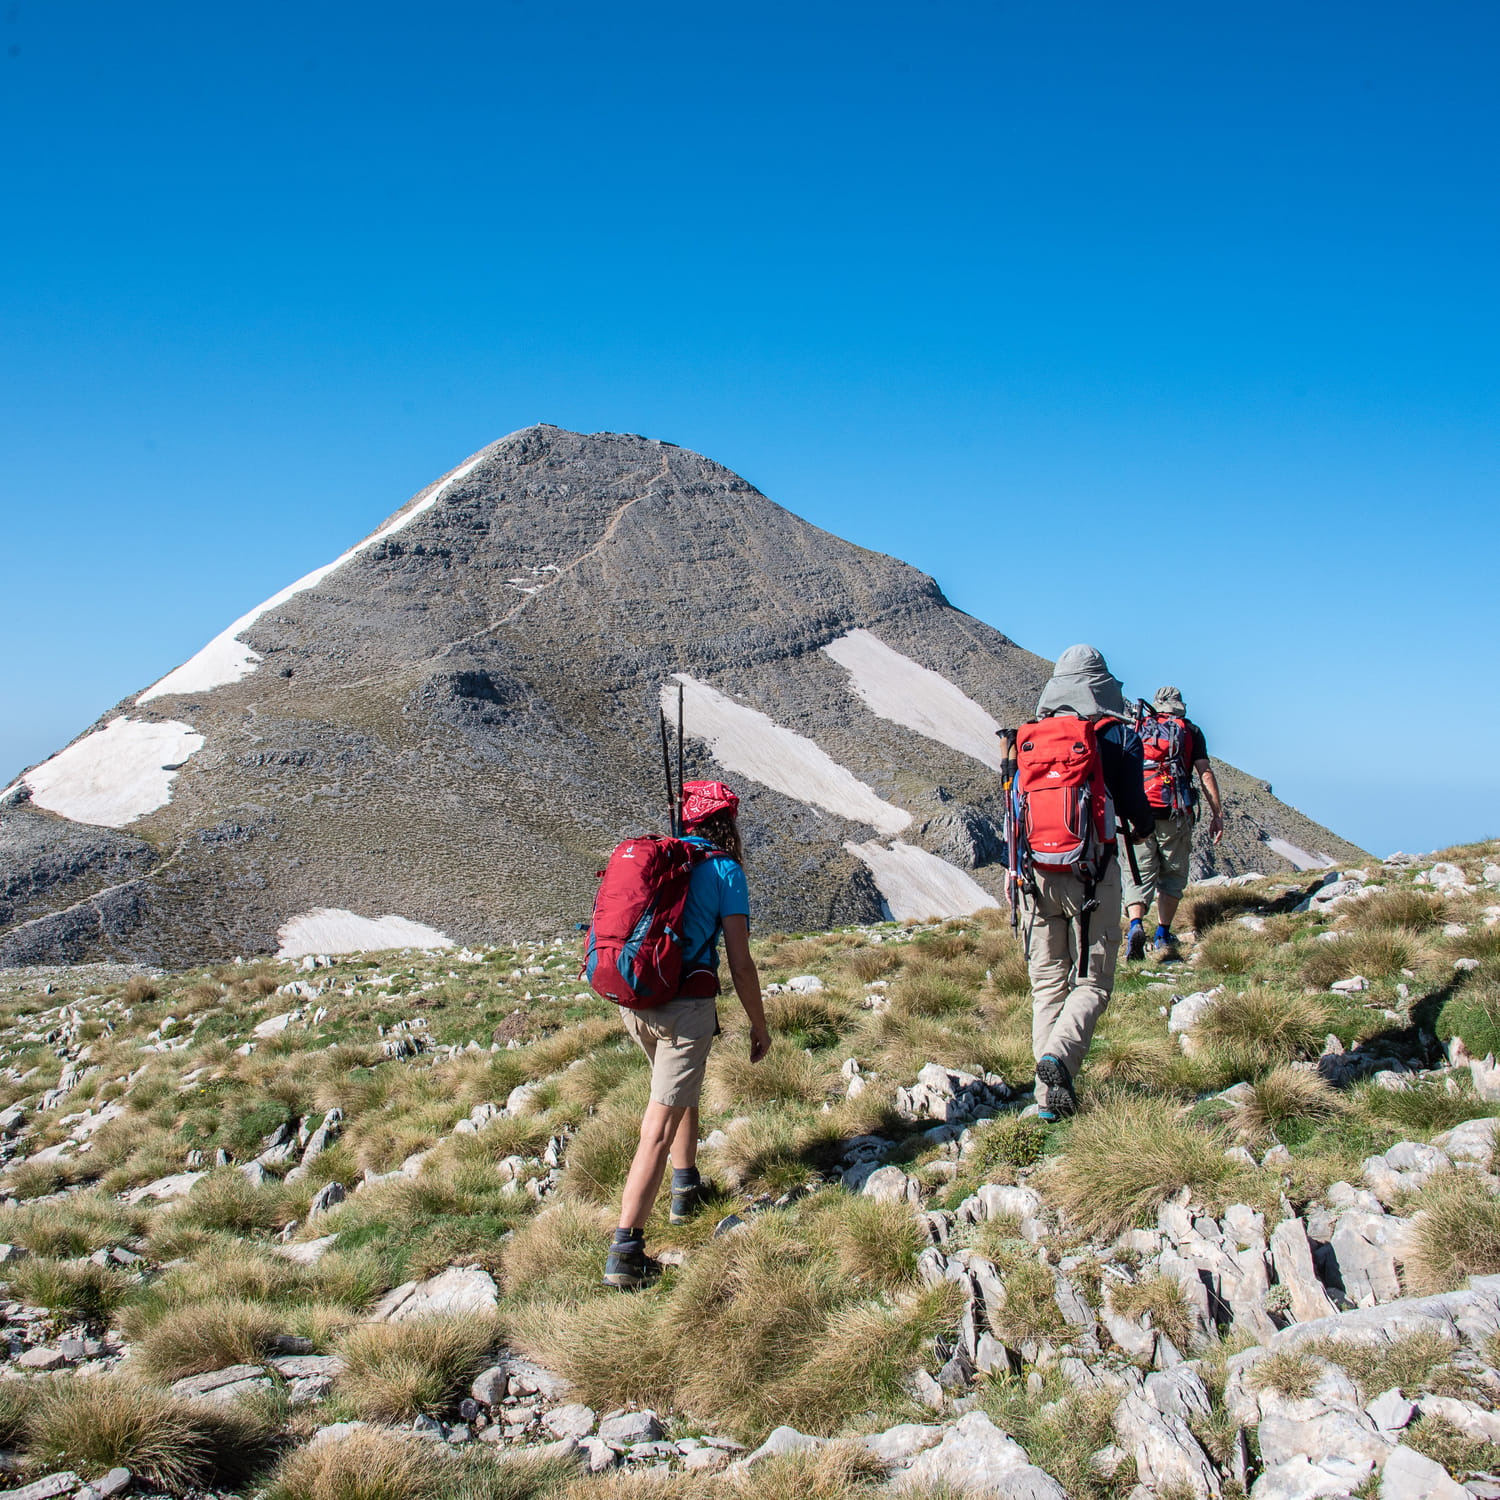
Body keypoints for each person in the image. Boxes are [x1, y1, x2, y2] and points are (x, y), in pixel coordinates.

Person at [603, 779, 772, 1290]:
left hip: (637, 1003)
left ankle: (685, 1188)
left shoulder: (664, 859)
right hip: (686, 1011)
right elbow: (741, 965)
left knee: (680, 1091)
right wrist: (759, 1025)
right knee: (658, 1123)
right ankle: (626, 1250)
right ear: (727, 824)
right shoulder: (725, 871)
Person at [1018, 646, 1155, 1122]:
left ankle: (1045, 1102)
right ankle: (1059, 1058)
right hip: (1093, 873)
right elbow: (1139, 816)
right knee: (1093, 982)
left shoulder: (1030, 737)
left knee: (1048, 985)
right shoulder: (1117, 736)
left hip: (1036, 879)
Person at [1123, 685, 1224, 962]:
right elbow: (1204, 773)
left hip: (1138, 813)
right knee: (1172, 875)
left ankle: (1135, 925)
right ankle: (1162, 934)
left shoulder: (1138, 727)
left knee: (1138, 873)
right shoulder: (1190, 732)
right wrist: (1217, 813)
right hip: (1175, 814)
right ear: (1181, 706)